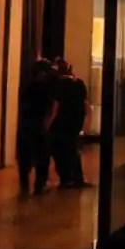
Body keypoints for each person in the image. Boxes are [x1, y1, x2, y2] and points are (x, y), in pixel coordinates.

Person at [17, 58, 58, 196]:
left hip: (27, 124)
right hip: (39, 125)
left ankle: (24, 187)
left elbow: (22, 106)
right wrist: (47, 123)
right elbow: (53, 107)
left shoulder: (28, 86)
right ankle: (39, 187)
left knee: (25, 159)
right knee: (42, 158)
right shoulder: (47, 87)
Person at [52, 58, 90, 188]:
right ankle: (77, 177)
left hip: (62, 121)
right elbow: (86, 106)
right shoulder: (79, 83)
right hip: (76, 121)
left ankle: (66, 178)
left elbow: (55, 106)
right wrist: (86, 125)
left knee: (62, 150)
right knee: (73, 148)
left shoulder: (58, 84)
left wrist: (48, 122)